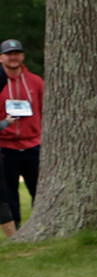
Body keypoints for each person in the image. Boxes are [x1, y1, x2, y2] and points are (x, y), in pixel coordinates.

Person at [1, 38, 41, 236]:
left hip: (33, 144)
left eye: (17, 53)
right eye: (9, 54)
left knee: (39, 189)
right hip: (6, 146)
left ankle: (41, 226)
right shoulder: (0, 83)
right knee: (9, 193)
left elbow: (45, 108)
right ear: (1, 58)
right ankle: (16, 232)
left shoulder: (35, 82)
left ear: (23, 56)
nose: (13, 57)